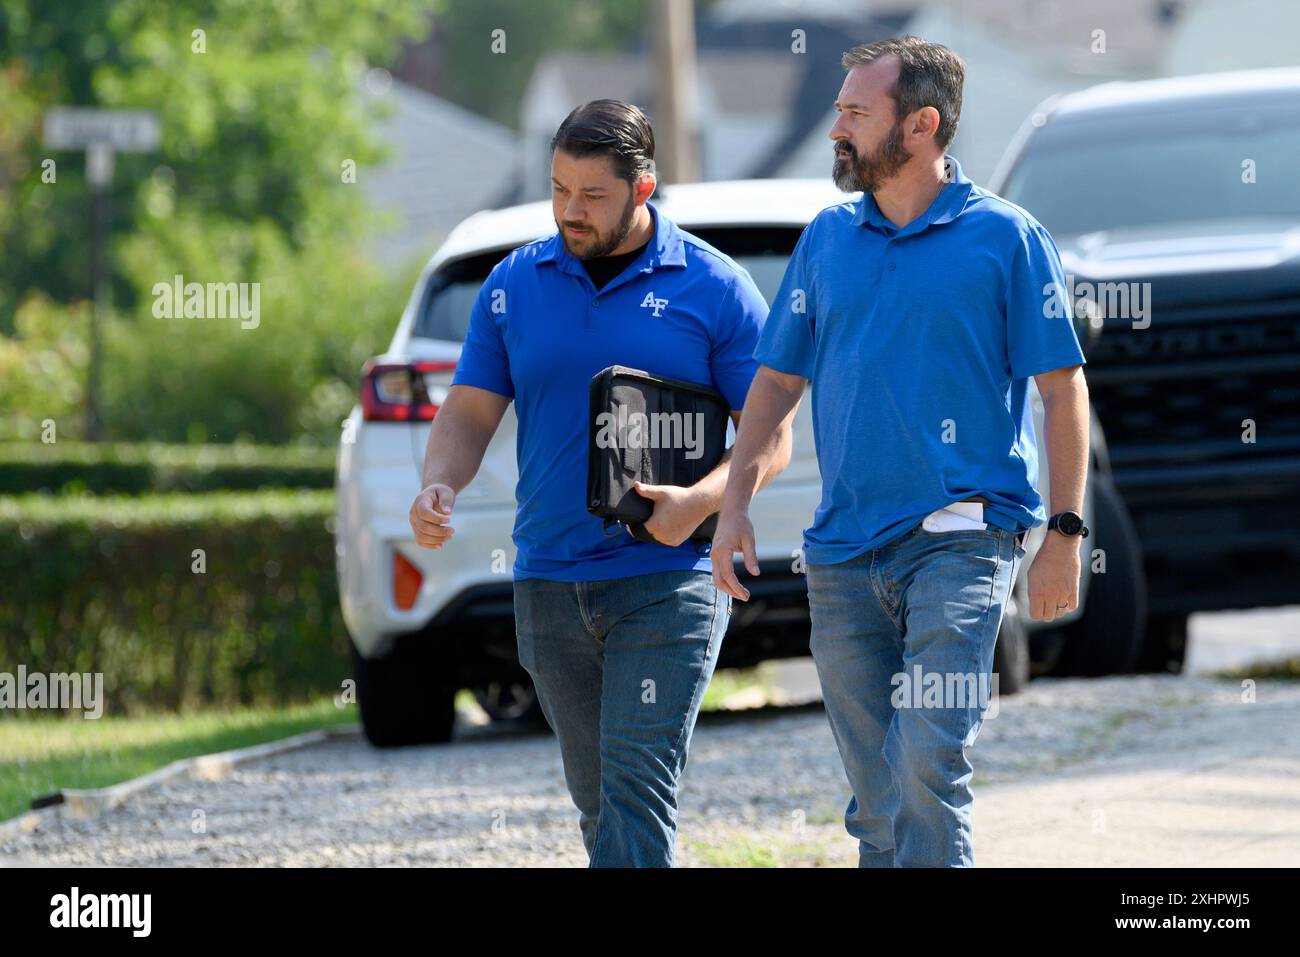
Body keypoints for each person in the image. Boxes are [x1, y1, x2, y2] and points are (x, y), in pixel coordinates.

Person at [712, 37, 1090, 867]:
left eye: (855, 112)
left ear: (921, 125)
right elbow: (775, 386)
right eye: (840, 110)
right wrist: (732, 505)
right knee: (877, 795)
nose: (836, 129)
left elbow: (1062, 390)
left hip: (962, 539)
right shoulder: (826, 239)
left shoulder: (1008, 239)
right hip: (843, 553)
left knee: (926, 763)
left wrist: (1063, 532)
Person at [409, 99, 793, 867]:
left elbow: (770, 433)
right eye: (558, 190)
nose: (570, 212)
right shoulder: (514, 284)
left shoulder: (713, 288)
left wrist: (702, 502)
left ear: (643, 189)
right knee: (600, 805)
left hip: (668, 578)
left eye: (592, 195)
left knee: (635, 790)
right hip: (547, 582)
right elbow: (469, 413)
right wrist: (438, 484)